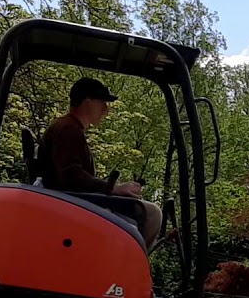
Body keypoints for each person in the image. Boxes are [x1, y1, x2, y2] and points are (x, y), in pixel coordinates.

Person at [37, 77, 162, 248]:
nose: (106, 110)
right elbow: (71, 176)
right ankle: (130, 268)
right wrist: (113, 189)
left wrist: (111, 189)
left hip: (70, 202)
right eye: (102, 103)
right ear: (88, 102)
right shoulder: (68, 130)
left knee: (143, 213)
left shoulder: (68, 128)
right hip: (71, 205)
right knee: (151, 214)